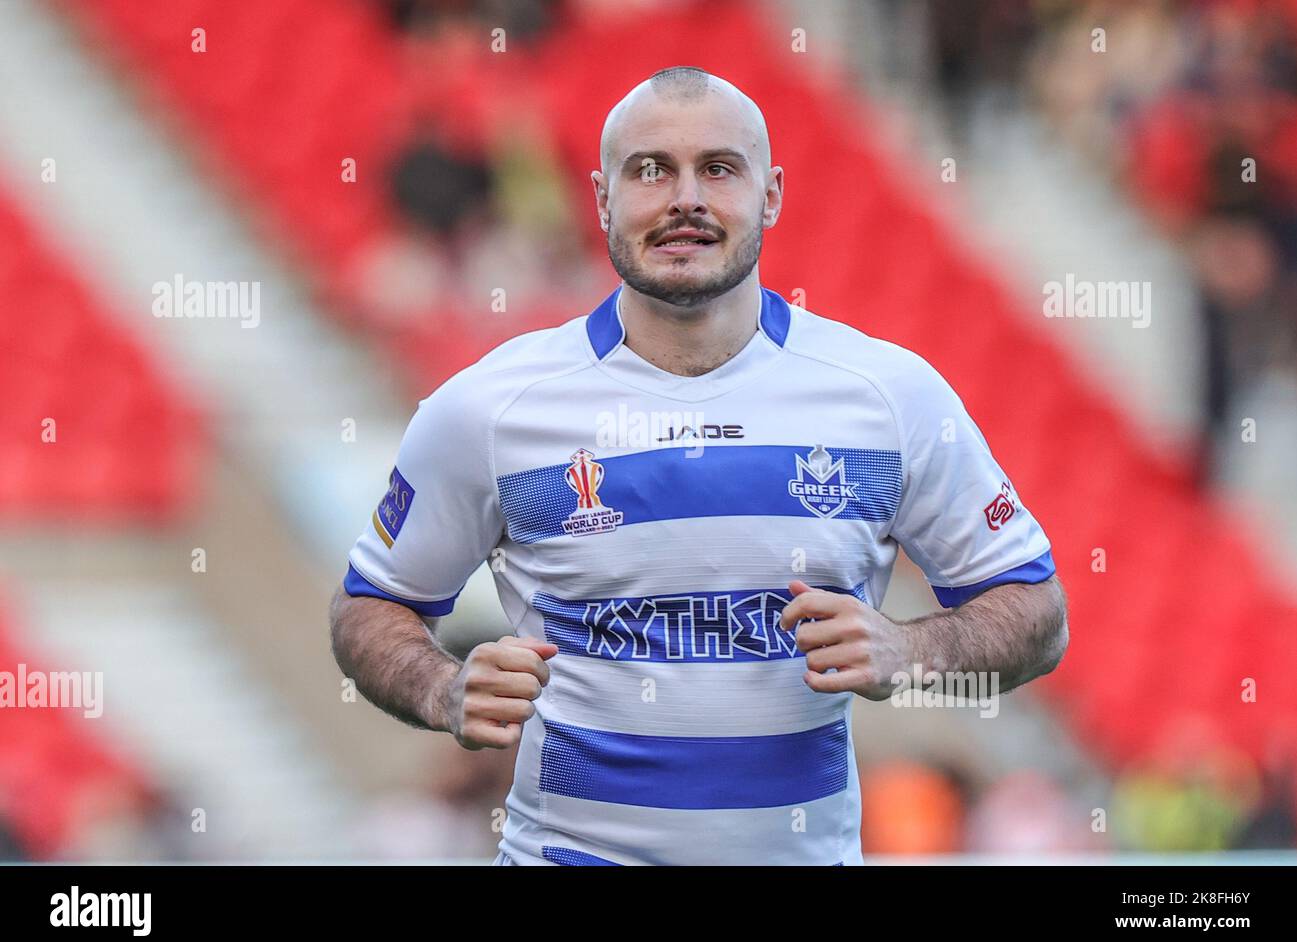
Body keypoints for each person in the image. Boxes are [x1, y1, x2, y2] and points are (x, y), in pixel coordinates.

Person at [329, 66, 1068, 866]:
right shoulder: (488, 409)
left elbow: (1036, 613)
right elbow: (371, 608)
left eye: (718, 168)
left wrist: (914, 652)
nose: (685, 198)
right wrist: (443, 690)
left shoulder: (890, 398)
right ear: (603, 198)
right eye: (650, 170)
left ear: (772, 194)